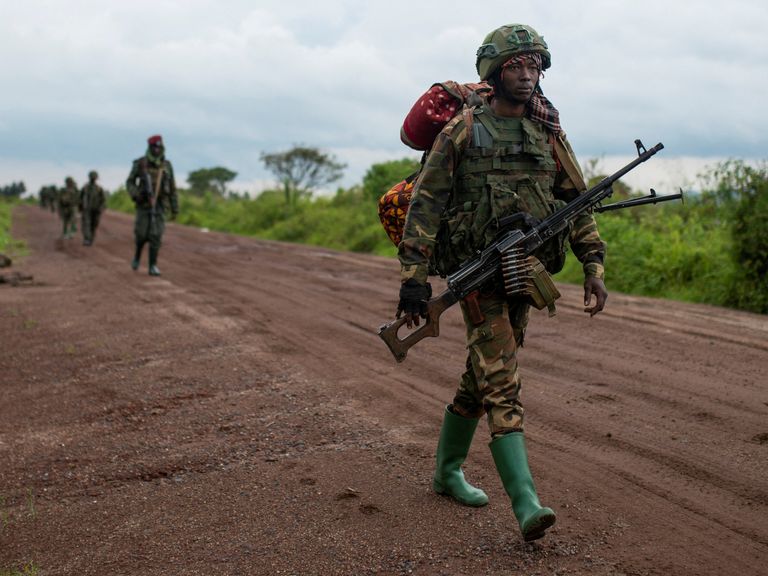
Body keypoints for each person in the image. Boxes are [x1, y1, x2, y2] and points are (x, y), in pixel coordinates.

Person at [395, 24, 607, 542]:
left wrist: (593, 264)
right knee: (503, 380)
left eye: (535, 65)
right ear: (494, 70)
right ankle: (527, 503)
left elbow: (575, 204)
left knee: (482, 372)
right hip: (477, 275)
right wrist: (414, 281)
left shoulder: (547, 133)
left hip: (525, 272)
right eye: (517, 65)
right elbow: (425, 206)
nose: (528, 74)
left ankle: (447, 473)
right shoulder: (464, 130)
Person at [126, 134, 178, 276]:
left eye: (159, 147)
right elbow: (130, 182)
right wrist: (136, 194)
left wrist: (175, 208)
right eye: (154, 147)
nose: (157, 150)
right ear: (150, 147)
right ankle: (137, 256)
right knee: (141, 234)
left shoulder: (167, 166)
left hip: (160, 204)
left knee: (156, 235)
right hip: (143, 204)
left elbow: (172, 188)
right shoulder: (140, 164)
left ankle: (152, 265)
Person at [79, 170, 107, 246]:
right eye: (92, 177)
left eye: (94, 177)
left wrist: (102, 208)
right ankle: (87, 239)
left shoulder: (99, 188)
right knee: (86, 224)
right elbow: (80, 198)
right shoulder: (85, 188)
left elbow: (103, 200)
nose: (93, 178)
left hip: (96, 210)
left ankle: (91, 238)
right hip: (87, 209)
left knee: (94, 224)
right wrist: (80, 207)